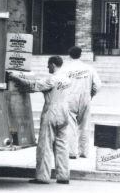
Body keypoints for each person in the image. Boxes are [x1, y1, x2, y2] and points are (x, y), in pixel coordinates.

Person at [8, 56, 72, 184]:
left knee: (45, 145)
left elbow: (33, 85)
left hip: (52, 111)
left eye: (48, 65)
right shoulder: (67, 79)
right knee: (62, 145)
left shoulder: (52, 79)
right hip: (65, 112)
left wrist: (15, 78)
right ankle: (63, 176)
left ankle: (43, 177)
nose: (47, 67)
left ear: (53, 65)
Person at [64, 46, 102, 158]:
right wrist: (91, 94)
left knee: (70, 125)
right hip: (85, 97)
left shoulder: (66, 69)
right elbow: (98, 85)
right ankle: (83, 152)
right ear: (80, 54)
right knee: (84, 126)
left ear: (69, 55)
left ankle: (71, 152)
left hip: (70, 97)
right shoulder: (89, 68)